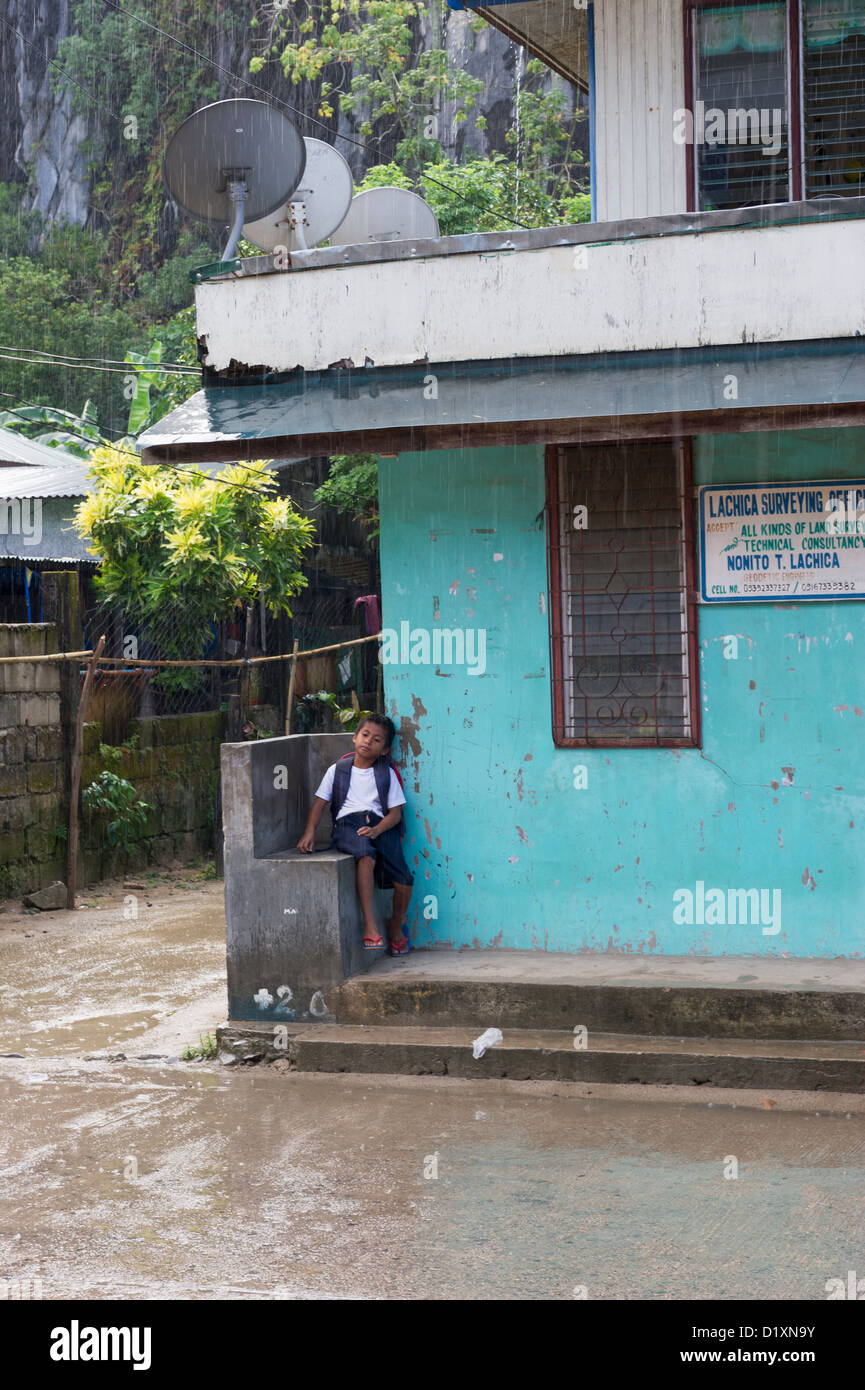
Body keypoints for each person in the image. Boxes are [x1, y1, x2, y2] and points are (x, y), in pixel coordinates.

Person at [297, 714, 413, 956]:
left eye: (376, 739)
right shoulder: (338, 770)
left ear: (385, 749)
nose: (368, 741)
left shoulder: (386, 772)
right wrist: (309, 832)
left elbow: (395, 814)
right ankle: (370, 924)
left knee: (403, 877)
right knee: (365, 855)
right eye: (365, 735)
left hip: (380, 826)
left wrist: (377, 830)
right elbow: (319, 804)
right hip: (348, 825)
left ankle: (395, 925)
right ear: (355, 737)